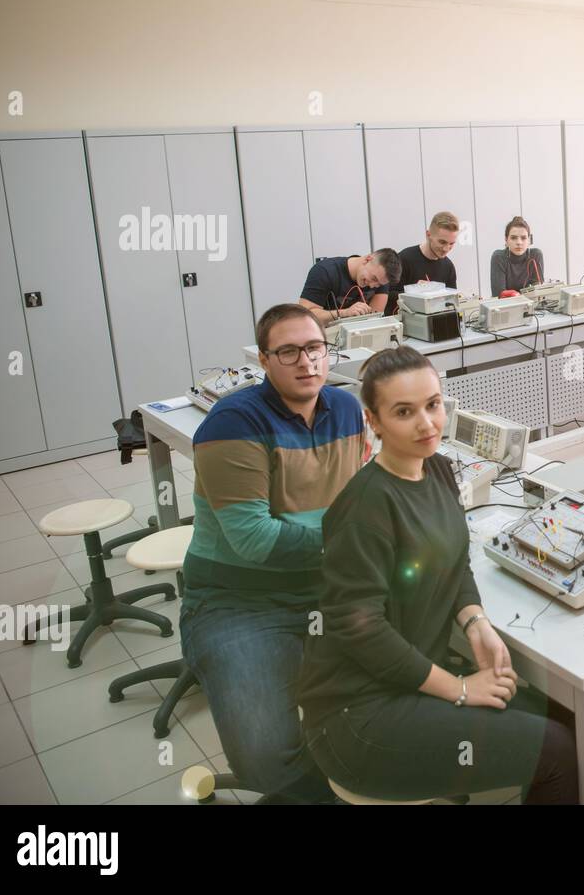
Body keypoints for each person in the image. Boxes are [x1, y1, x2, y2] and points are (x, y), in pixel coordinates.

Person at [297, 346, 579, 804]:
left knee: (565, 714)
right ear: (375, 420)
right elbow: (359, 628)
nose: (427, 424)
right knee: (558, 751)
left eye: (433, 405)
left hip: (408, 679)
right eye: (404, 412)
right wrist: (461, 688)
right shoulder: (365, 505)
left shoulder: (439, 470)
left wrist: (476, 623)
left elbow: (456, 559)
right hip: (358, 714)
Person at [180, 304, 366, 802]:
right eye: (288, 351)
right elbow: (256, 541)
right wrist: (357, 541)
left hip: (325, 587)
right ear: (264, 360)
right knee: (262, 754)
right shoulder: (232, 423)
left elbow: (353, 503)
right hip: (238, 600)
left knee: (413, 683)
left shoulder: (347, 410)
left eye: (315, 348)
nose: (306, 362)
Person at [297, 249, 401, 325]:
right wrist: (345, 313)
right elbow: (306, 316)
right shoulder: (324, 271)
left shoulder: (381, 278)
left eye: (379, 284)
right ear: (367, 260)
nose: (373, 285)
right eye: (374, 278)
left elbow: (373, 319)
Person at [387, 211, 460, 313]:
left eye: (451, 243)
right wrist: (415, 291)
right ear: (428, 235)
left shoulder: (448, 266)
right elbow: (387, 296)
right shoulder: (404, 259)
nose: (446, 248)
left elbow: (451, 303)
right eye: (442, 242)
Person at [489, 216, 545, 296]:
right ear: (506, 240)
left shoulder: (535, 255)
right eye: (513, 238)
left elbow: (538, 292)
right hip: (505, 306)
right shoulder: (498, 257)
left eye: (523, 238)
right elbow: (498, 295)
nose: (519, 242)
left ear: (529, 240)